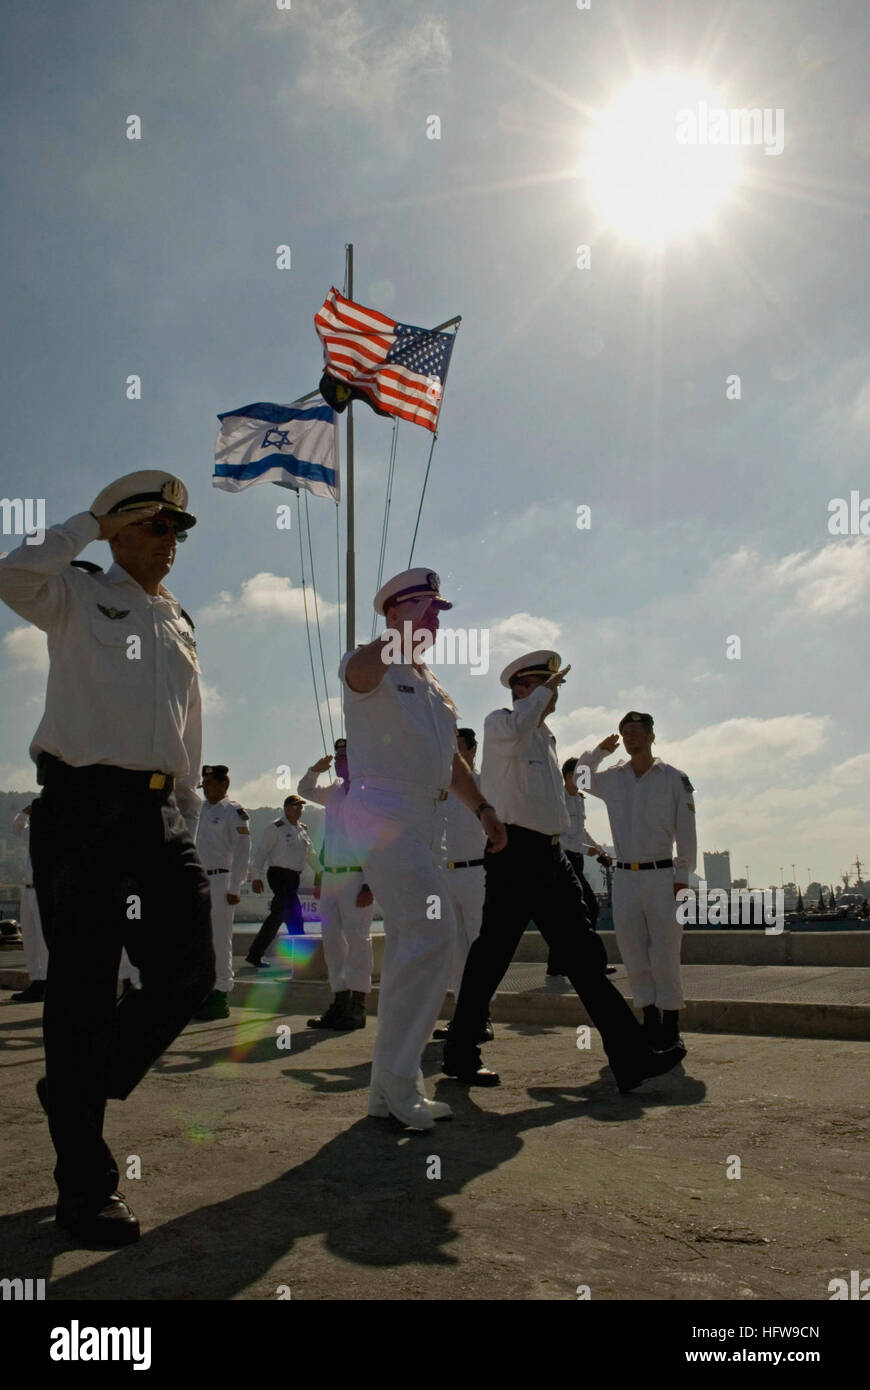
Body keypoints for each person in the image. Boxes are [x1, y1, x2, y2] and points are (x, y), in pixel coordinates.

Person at [0, 471, 215, 1246]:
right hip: (84, 809)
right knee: (84, 995)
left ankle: (73, 1089)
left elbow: (187, 724)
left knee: (190, 974)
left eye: (177, 532)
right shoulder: (77, 593)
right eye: (157, 527)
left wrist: (185, 810)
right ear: (119, 531)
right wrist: (82, 526)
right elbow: (10, 575)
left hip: (159, 813)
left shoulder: (179, 620)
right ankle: (85, 1192)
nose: (171, 544)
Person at [440, 651, 685, 1094]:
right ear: (521, 688)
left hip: (550, 857)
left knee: (585, 959)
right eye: (545, 687)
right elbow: (516, 730)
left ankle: (632, 1059)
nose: (554, 697)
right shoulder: (501, 724)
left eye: (554, 688)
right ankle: (460, 1054)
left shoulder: (544, 737)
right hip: (514, 853)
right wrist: (540, 697)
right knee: (491, 957)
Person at [340, 567, 507, 1130]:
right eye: (428, 609)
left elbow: (451, 762)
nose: (436, 620)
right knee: (432, 933)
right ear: (394, 612)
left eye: (438, 612)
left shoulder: (431, 683)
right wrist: (397, 636)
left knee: (420, 938)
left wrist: (481, 809)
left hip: (427, 816)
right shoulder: (373, 663)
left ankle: (388, 1088)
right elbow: (359, 674)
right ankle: (400, 1081)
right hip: (383, 810)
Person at [576, 712, 697, 1052]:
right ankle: (649, 1021)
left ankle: (671, 1023)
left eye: (636, 731)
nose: (630, 737)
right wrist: (598, 752)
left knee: (665, 954)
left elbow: (687, 832)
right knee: (633, 953)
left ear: (651, 735)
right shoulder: (613, 778)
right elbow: (579, 778)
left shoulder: (674, 778)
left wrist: (683, 876)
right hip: (625, 877)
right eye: (625, 732)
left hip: (662, 876)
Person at [298, 739, 374, 1031]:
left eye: (346, 754)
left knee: (358, 940)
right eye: (338, 755)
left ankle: (358, 1005)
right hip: (330, 875)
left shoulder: (368, 793)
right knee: (331, 941)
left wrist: (371, 883)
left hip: (357, 875)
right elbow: (305, 791)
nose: (341, 760)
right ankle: (339, 1002)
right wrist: (314, 770)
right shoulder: (333, 792)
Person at [432, 728, 491, 1043]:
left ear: (471, 750)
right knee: (456, 950)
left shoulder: (485, 785)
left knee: (480, 947)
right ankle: (461, 1016)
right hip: (446, 873)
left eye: (457, 748)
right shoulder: (441, 790)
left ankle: (482, 1017)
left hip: (476, 873)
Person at [545, 757, 615, 981]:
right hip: (562, 859)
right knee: (590, 907)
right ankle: (591, 964)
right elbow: (560, 836)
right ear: (567, 776)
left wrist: (600, 851)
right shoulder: (559, 799)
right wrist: (588, 850)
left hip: (577, 860)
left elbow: (581, 832)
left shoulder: (579, 800)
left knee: (566, 913)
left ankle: (556, 966)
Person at [193, 764, 251, 1020]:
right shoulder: (199, 810)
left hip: (221, 880)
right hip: (199, 881)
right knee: (199, 940)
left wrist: (236, 885)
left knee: (220, 939)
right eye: (204, 785)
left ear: (224, 784)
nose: (206, 789)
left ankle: (220, 995)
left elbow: (242, 850)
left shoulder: (233, 812)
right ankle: (203, 991)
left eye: (210, 784)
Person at [245, 795, 318, 966]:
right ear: (286, 808)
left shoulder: (302, 830)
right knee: (294, 915)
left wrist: (322, 873)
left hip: (293, 878)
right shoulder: (276, 828)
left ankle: (255, 955)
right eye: (295, 806)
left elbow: (311, 856)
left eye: (301, 807)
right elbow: (261, 852)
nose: (299, 810)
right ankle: (302, 959)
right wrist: (256, 877)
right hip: (279, 875)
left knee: (282, 915)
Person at [9, 804, 48, 1003]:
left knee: (43, 939)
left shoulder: (56, 831)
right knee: (30, 938)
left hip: (44, 889)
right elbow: (16, 828)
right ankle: (36, 979)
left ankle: (45, 981)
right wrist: (24, 812)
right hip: (28, 889)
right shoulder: (34, 832)